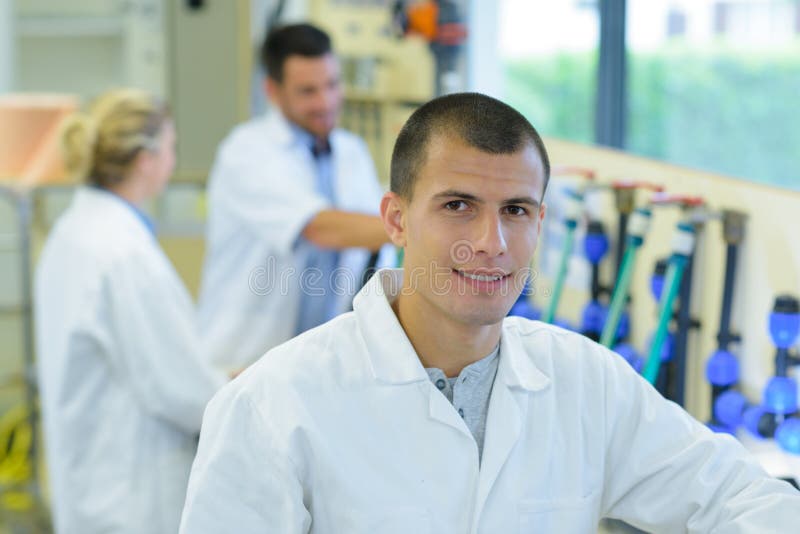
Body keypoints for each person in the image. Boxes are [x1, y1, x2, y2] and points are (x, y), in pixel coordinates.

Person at [179, 93, 800, 533]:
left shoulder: (587, 382)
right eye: (458, 206)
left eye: (516, 211)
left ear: (541, 222)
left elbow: (740, 499)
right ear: (396, 219)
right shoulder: (273, 405)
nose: (491, 243)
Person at [35, 89, 226, 534]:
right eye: (172, 146)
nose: (173, 160)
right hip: (131, 496)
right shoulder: (123, 254)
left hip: (94, 487)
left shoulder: (73, 232)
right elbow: (183, 390)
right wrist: (233, 386)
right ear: (146, 159)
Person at [198, 23, 392, 372]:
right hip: (240, 363)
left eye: (332, 85)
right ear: (272, 91)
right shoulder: (247, 151)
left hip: (316, 365)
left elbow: (373, 243)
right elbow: (319, 228)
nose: (325, 102)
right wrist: (419, 226)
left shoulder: (352, 152)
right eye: (308, 91)